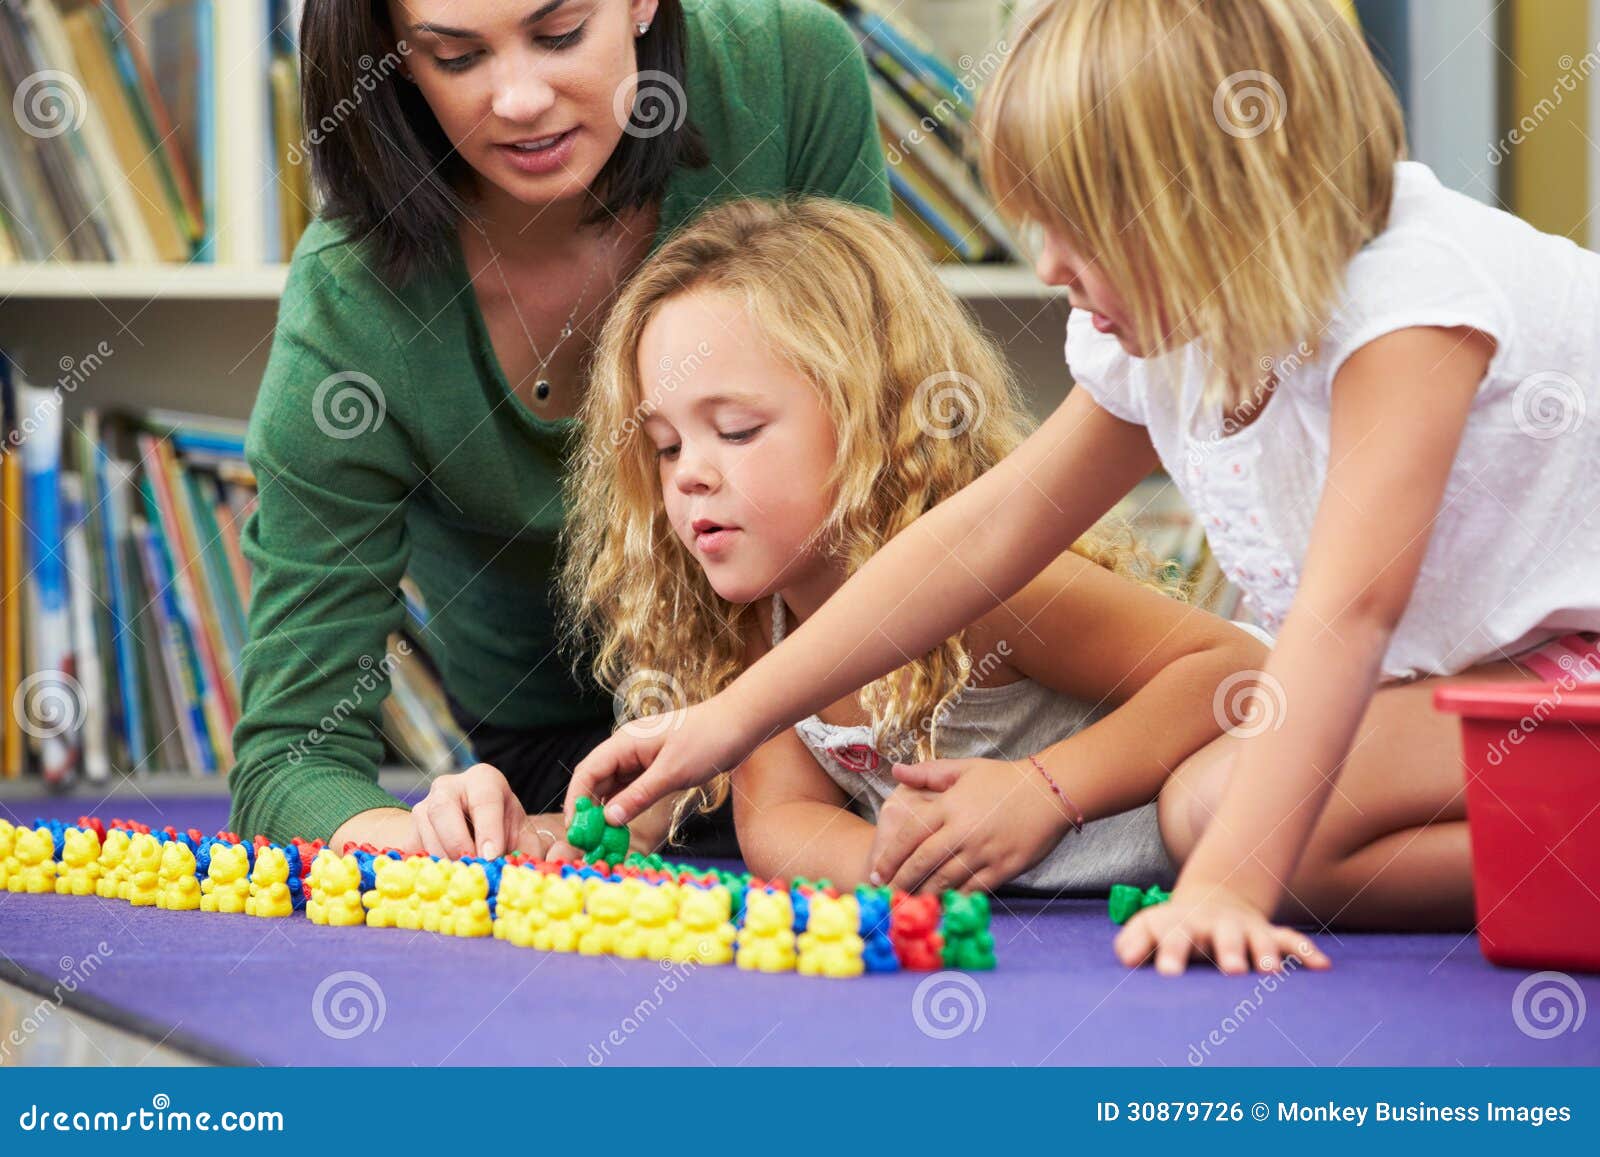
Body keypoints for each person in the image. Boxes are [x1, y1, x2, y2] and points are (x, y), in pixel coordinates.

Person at [565, 0, 1599, 974]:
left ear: (1208, 201)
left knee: (1238, 830)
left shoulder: (1406, 304)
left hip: (1566, 673)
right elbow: (986, 530)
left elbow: (1349, 607)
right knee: (1210, 809)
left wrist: (1229, 892)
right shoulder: (1171, 336)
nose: (1050, 265)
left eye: (1079, 227)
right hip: (1503, 687)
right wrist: (724, 721)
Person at [228, 0, 890, 862]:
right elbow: (288, 754)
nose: (519, 100)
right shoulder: (351, 308)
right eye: (456, 57)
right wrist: (425, 841)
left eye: (560, 34)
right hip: (566, 770)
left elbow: (897, 453)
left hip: (846, 714)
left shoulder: (788, 74)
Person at [556, 197, 1270, 894]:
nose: (690, 476)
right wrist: (901, 865)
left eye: (738, 429)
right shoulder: (759, 629)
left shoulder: (995, 591)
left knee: (1207, 815)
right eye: (666, 447)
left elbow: (1232, 670)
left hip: (1267, 791)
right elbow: (780, 816)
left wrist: (1044, 789)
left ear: (875, 419)